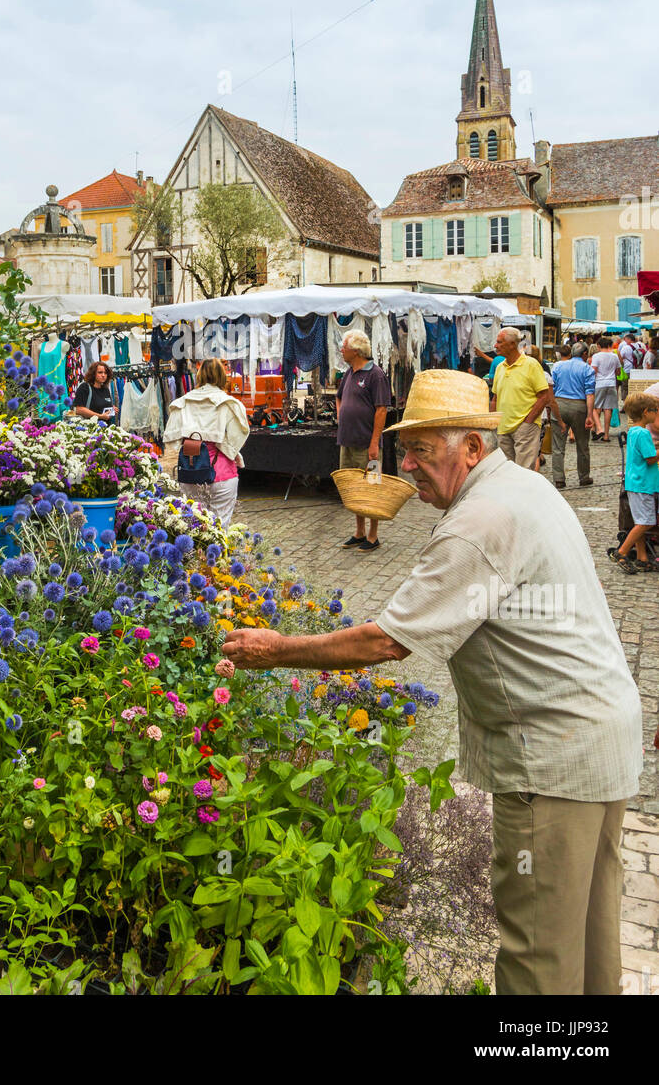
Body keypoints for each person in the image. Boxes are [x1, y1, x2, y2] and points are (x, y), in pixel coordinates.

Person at [223, 369, 642, 996]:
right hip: (600, 740)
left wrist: (277, 647)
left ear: (472, 448)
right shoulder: (523, 486)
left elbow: (386, 639)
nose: (409, 463)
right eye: (407, 447)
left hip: (552, 759)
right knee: (588, 941)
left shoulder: (480, 522)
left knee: (539, 960)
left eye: (423, 449)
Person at [162, 358, 249, 527]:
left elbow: (172, 440)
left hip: (190, 471)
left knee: (195, 527)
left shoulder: (183, 403)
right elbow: (239, 439)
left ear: (199, 376)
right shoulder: (230, 404)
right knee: (220, 527)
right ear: (222, 377)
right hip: (222, 472)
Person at [335, 329, 392, 552]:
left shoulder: (376, 374)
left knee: (371, 488)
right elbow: (339, 397)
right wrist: (341, 417)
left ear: (356, 350)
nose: (341, 350)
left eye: (344, 346)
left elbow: (381, 410)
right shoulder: (349, 373)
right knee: (353, 488)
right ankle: (359, 532)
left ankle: (373, 535)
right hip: (347, 441)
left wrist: (374, 443)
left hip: (368, 444)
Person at [607, 392, 659, 574]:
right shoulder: (644, 433)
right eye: (655, 411)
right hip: (643, 484)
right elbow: (651, 459)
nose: (657, 413)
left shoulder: (633, 431)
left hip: (634, 483)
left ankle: (642, 558)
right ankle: (622, 552)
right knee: (645, 522)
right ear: (646, 412)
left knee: (640, 521)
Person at [490, 327, 551, 468]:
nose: (495, 346)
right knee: (506, 470)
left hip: (524, 427)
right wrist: (492, 423)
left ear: (512, 344)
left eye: (499, 342)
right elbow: (495, 398)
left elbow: (544, 396)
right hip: (503, 428)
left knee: (524, 471)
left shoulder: (531, 364)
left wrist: (528, 421)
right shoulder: (500, 367)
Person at [550, 343, 596, 489]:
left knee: (558, 445)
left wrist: (552, 407)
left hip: (559, 404)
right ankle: (583, 477)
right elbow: (590, 393)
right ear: (584, 354)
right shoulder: (587, 369)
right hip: (579, 406)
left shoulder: (557, 366)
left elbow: (553, 388)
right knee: (582, 445)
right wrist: (590, 415)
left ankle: (558, 479)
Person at [590, 336, 620, 441]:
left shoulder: (596, 356)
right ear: (609, 345)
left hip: (599, 383)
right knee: (608, 409)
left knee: (595, 407)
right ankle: (606, 435)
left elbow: (593, 371)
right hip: (611, 383)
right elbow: (618, 372)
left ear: (598, 346)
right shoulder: (614, 356)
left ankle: (598, 429)